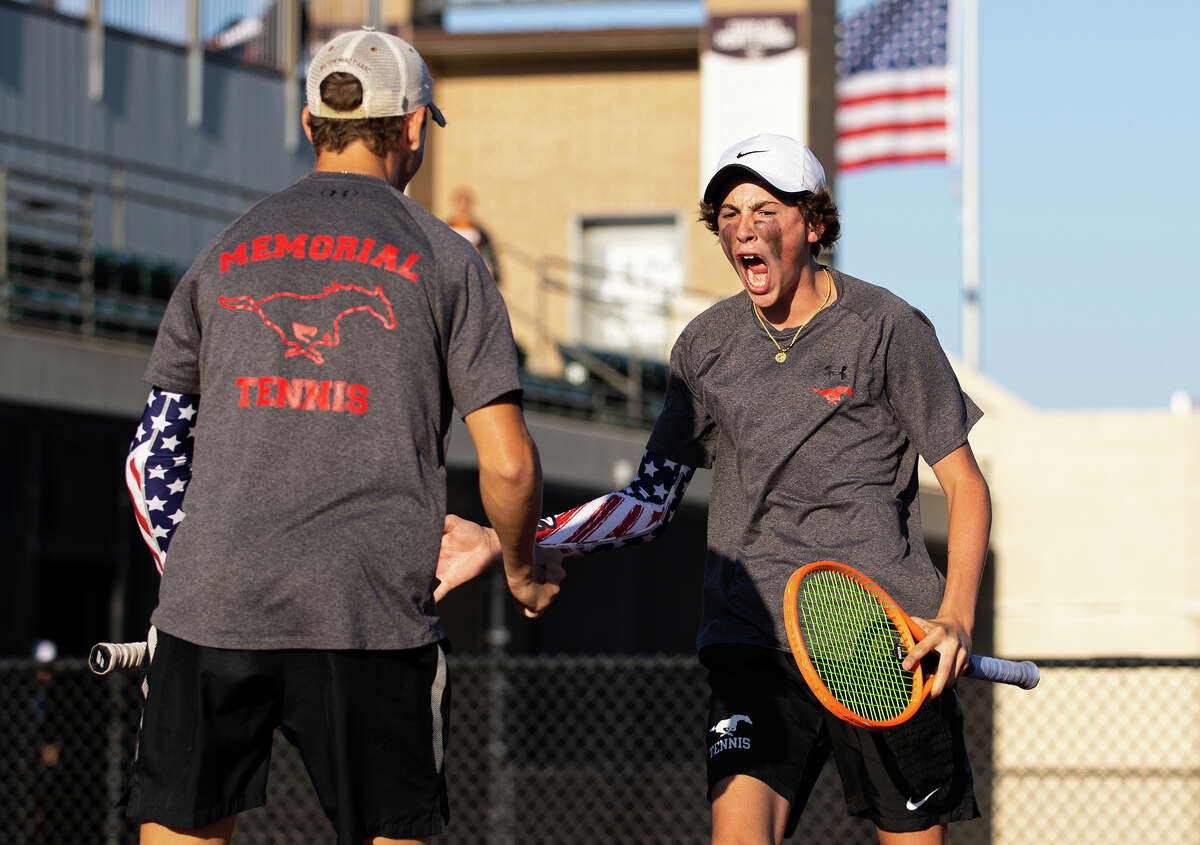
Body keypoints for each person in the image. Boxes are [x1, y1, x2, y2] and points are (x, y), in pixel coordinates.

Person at [436, 134, 991, 844]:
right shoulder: (705, 347)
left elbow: (966, 485)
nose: (743, 227)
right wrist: (512, 536)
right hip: (753, 638)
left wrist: (956, 615)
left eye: (764, 208)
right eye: (729, 213)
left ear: (814, 223)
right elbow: (647, 500)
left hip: (885, 642)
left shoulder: (889, 328)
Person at [120, 27, 560, 845]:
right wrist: (527, 568)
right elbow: (506, 463)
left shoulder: (222, 253)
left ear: (307, 121)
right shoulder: (445, 259)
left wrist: (189, 574)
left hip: (211, 603)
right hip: (367, 611)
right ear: (415, 128)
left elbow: (152, 451)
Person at [445, 187, 501, 284]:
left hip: (473, 271)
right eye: (460, 203)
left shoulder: (478, 231)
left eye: (466, 203)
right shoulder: (447, 228)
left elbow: (488, 254)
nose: (463, 207)